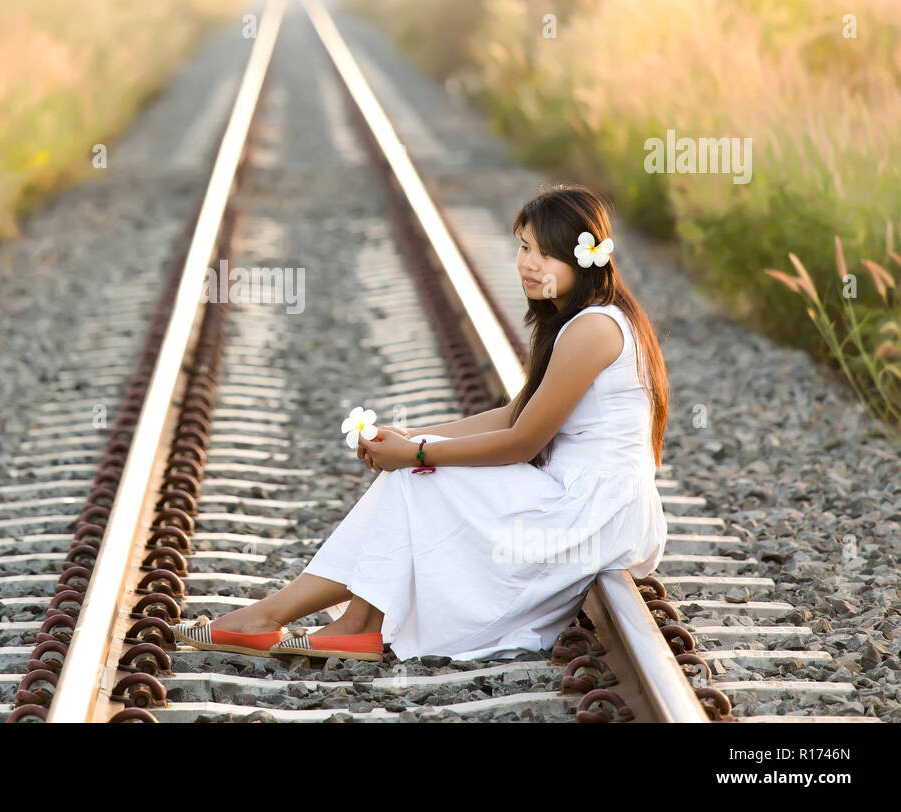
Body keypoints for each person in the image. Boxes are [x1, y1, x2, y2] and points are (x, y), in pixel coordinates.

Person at [173, 184, 670, 663]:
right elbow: (514, 414)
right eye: (523, 247)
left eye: (546, 254)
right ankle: (342, 623)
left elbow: (522, 441)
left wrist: (416, 453)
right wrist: (416, 437)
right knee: (418, 473)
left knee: (419, 473)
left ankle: (290, 618)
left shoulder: (593, 329)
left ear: (584, 259)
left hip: (595, 509)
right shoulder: (583, 320)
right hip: (581, 496)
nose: (528, 264)